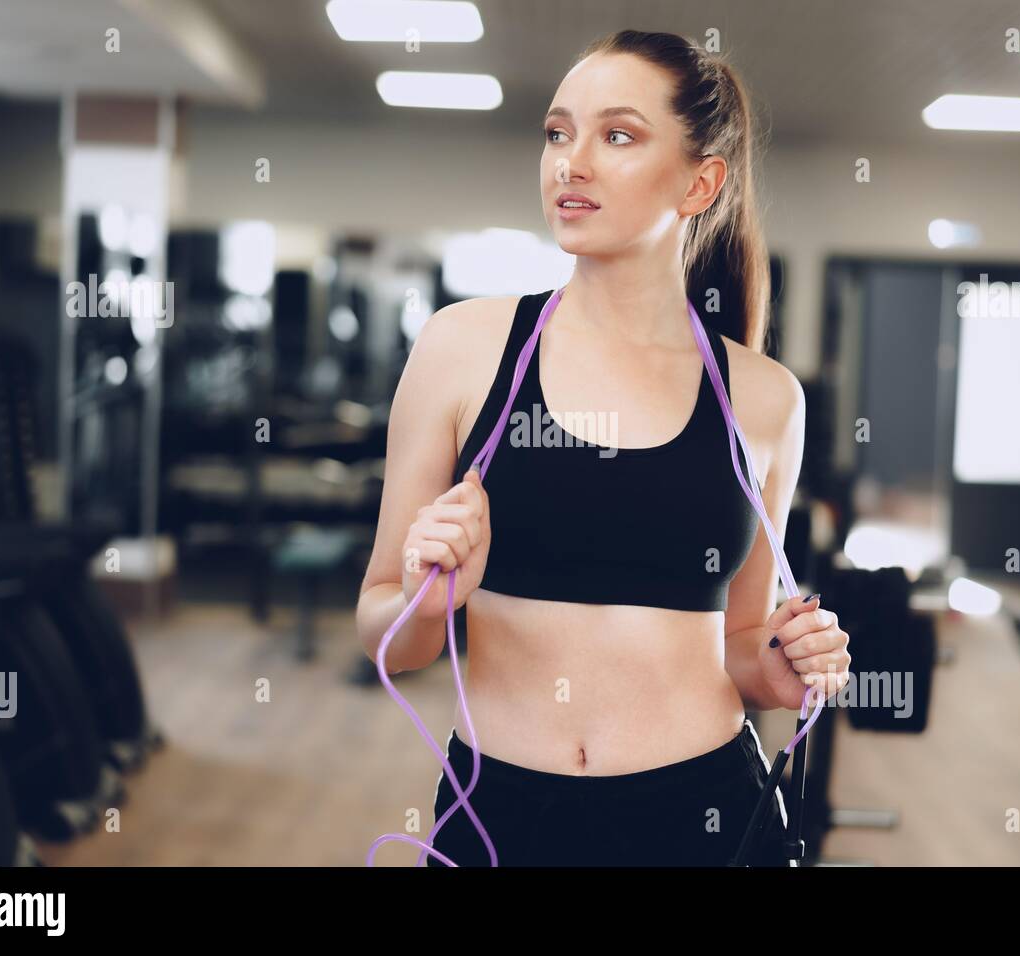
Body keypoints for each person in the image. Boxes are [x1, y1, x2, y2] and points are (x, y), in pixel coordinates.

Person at [356, 29, 851, 867]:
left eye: (616, 136)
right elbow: (380, 628)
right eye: (558, 132)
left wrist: (786, 663)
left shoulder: (766, 399)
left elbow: (741, 650)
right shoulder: (462, 349)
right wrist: (428, 600)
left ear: (700, 183)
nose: (570, 162)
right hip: (500, 814)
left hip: (706, 818)